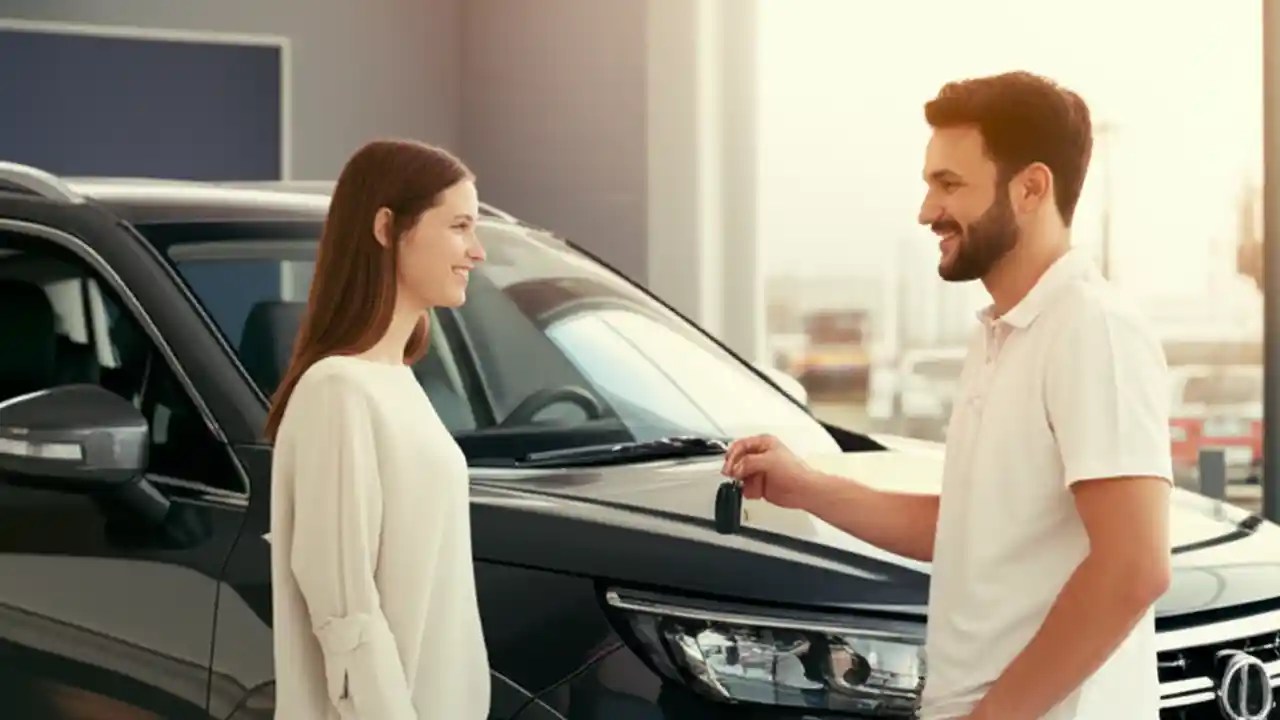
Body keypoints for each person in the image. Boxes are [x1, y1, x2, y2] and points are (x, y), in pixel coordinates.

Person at [723, 71, 1172, 720]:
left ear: (1030, 188)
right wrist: (807, 487)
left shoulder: (1091, 330)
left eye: (950, 184)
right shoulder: (1003, 334)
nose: (927, 210)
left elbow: (1134, 567)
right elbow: (970, 528)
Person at [265, 139, 489, 719]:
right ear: (387, 227)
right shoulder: (337, 391)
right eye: (459, 226)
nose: (477, 251)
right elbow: (346, 615)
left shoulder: (397, 381)